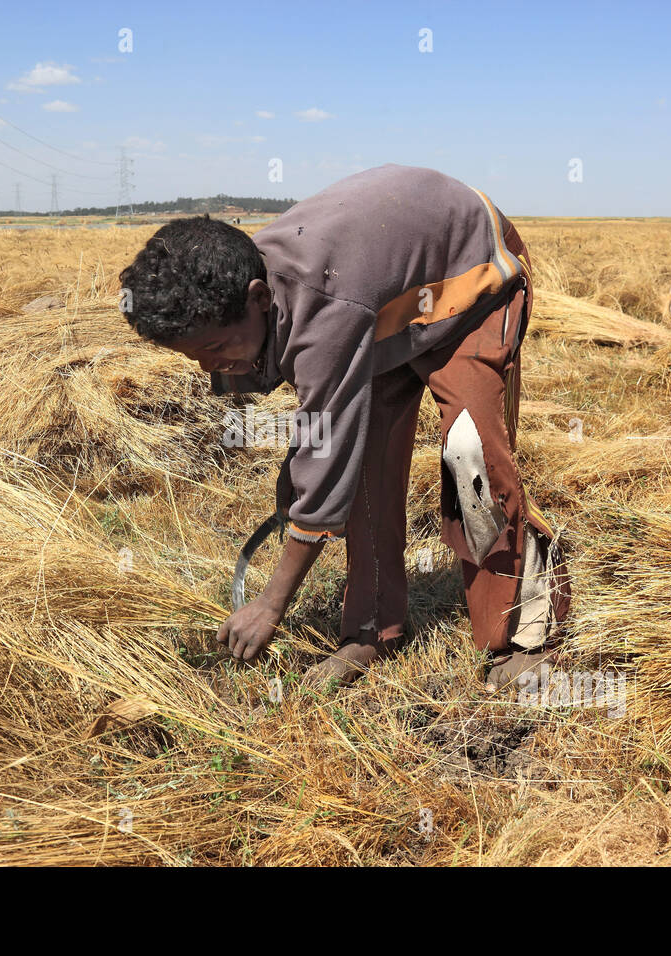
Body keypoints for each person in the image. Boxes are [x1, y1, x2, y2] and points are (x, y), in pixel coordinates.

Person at [118, 163, 571, 691]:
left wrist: (270, 605)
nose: (211, 367)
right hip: (386, 306)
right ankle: (373, 631)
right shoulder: (236, 285)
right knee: (361, 467)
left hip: (472, 277)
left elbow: (322, 444)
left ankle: (522, 635)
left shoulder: (323, 309)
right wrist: (297, 476)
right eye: (195, 358)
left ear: (260, 297)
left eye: (216, 350)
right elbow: (324, 433)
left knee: (470, 461)